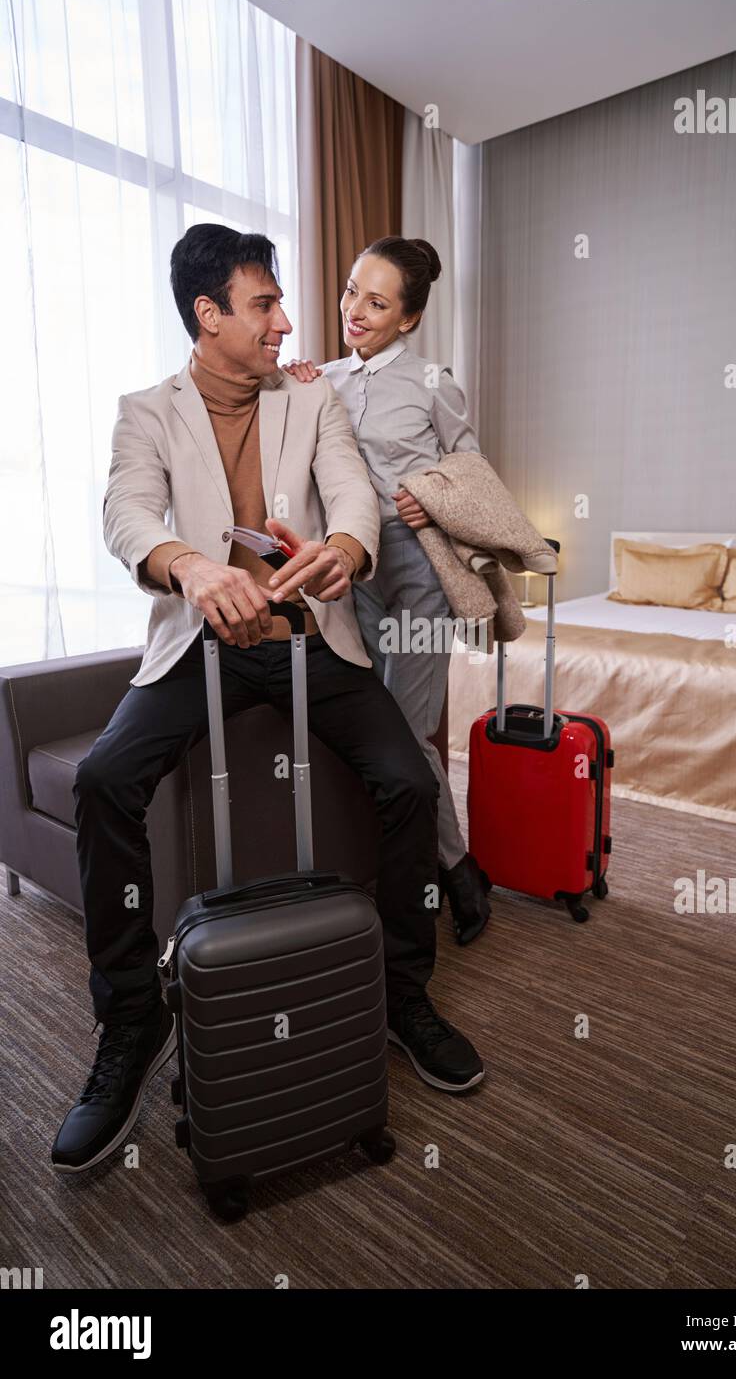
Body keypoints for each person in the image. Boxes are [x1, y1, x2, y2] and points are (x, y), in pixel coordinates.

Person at [51, 224, 485, 1176]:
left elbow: (353, 495)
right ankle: (128, 1025)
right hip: (196, 639)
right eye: (264, 305)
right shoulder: (146, 411)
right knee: (104, 782)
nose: (289, 322)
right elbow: (127, 513)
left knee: (410, 781)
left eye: (284, 304)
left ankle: (405, 995)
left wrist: (348, 551)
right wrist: (191, 566)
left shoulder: (310, 396)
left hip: (304, 638)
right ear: (208, 316)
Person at [285, 236, 492, 946]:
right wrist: (293, 381)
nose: (355, 309)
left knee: (406, 726)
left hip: (422, 565)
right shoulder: (322, 379)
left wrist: (430, 497)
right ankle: (435, 868)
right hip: (356, 565)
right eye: (350, 292)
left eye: (376, 301)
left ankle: (456, 869)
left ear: (407, 318)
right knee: (378, 723)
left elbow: (468, 467)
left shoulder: (434, 379)